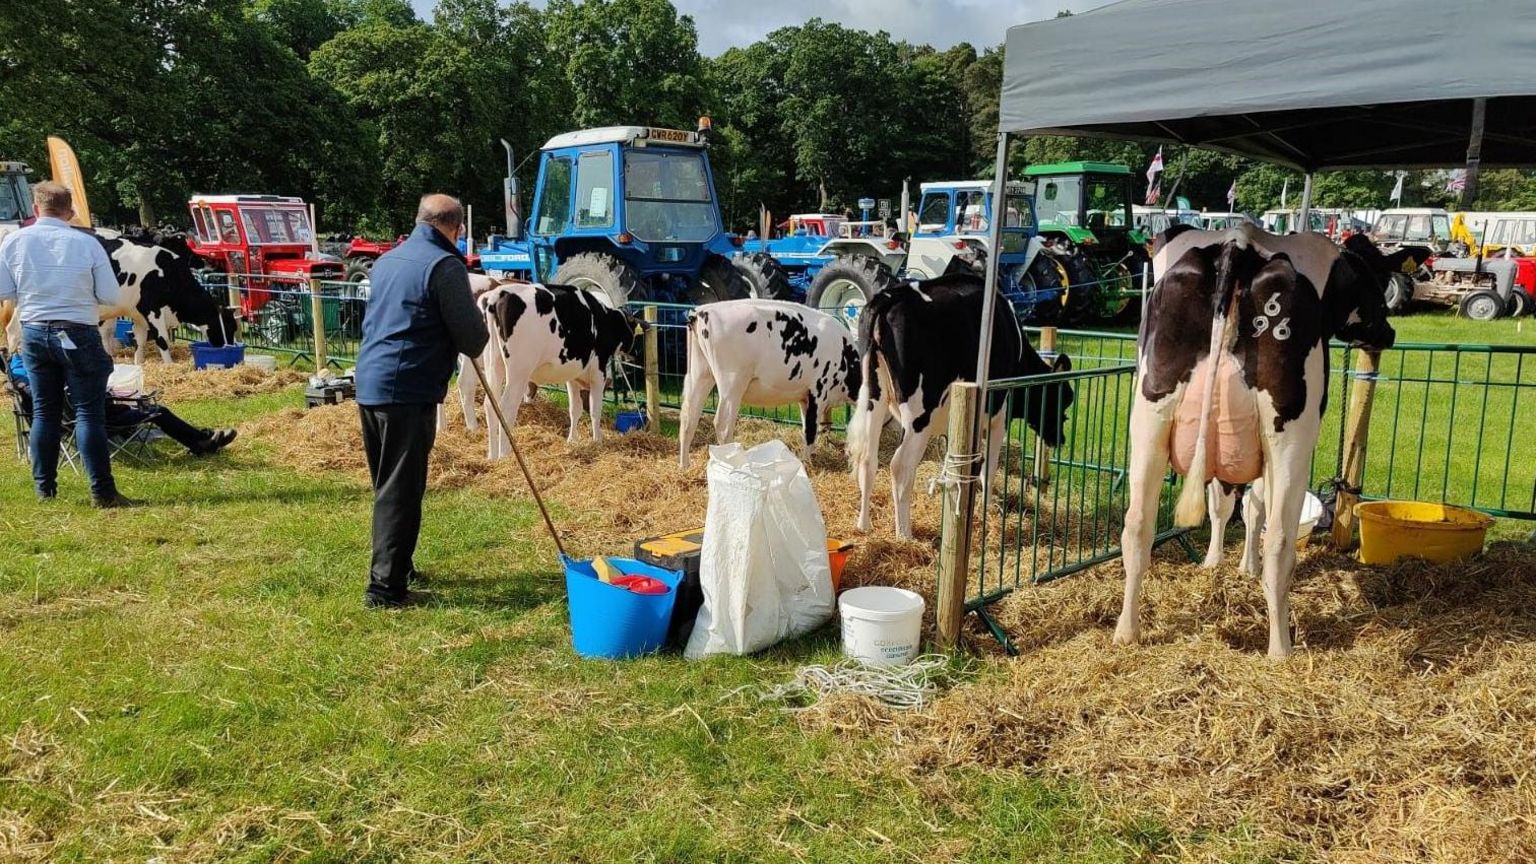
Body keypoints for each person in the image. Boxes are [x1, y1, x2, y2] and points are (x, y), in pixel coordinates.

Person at [354, 194, 489, 609]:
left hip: (370, 381)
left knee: (387, 483)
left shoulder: (387, 260)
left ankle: (400, 565)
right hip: (407, 388)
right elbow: (473, 339)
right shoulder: (445, 266)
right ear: (456, 229)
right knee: (401, 489)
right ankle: (385, 589)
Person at [0, 181, 131, 506]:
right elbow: (111, 295)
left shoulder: (13, 241)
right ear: (70, 212)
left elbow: (5, 291)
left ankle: (45, 489)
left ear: (35, 209)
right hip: (78, 330)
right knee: (88, 413)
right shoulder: (87, 243)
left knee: (45, 412)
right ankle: (102, 492)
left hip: (34, 331)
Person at [7, 353, 237, 456]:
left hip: (67, 419)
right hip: (98, 419)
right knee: (158, 411)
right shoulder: (63, 377)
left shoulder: (28, 377)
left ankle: (200, 438)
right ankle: (201, 442)